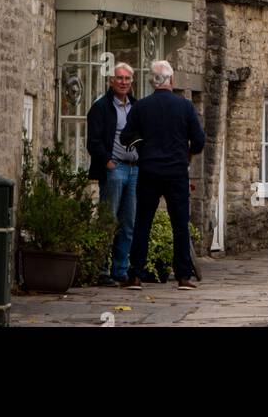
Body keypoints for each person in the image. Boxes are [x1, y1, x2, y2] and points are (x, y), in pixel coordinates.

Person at [120, 60, 205, 290]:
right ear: (171, 80)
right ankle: (183, 276)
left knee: (143, 223)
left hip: (148, 170)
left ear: (151, 81)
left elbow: (126, 137)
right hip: (176, 171)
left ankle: (136, 275)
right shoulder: (185, 107)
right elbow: (199, 140)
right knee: (180, 224)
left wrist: (142, 147)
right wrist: (188, 153)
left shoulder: (141, 107)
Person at [86, 64, 139, 285]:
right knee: (109, 220)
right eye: (119, 78)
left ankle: (121, 270)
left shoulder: (136, 107)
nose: (123, 82)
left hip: (135, 169)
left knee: (128, 223)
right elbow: (93, 142)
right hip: (114, 168)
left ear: (132, 81)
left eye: (127, 78)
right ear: (111, 81)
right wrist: (108, 163)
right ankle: (101, 270)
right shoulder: (101, 107)